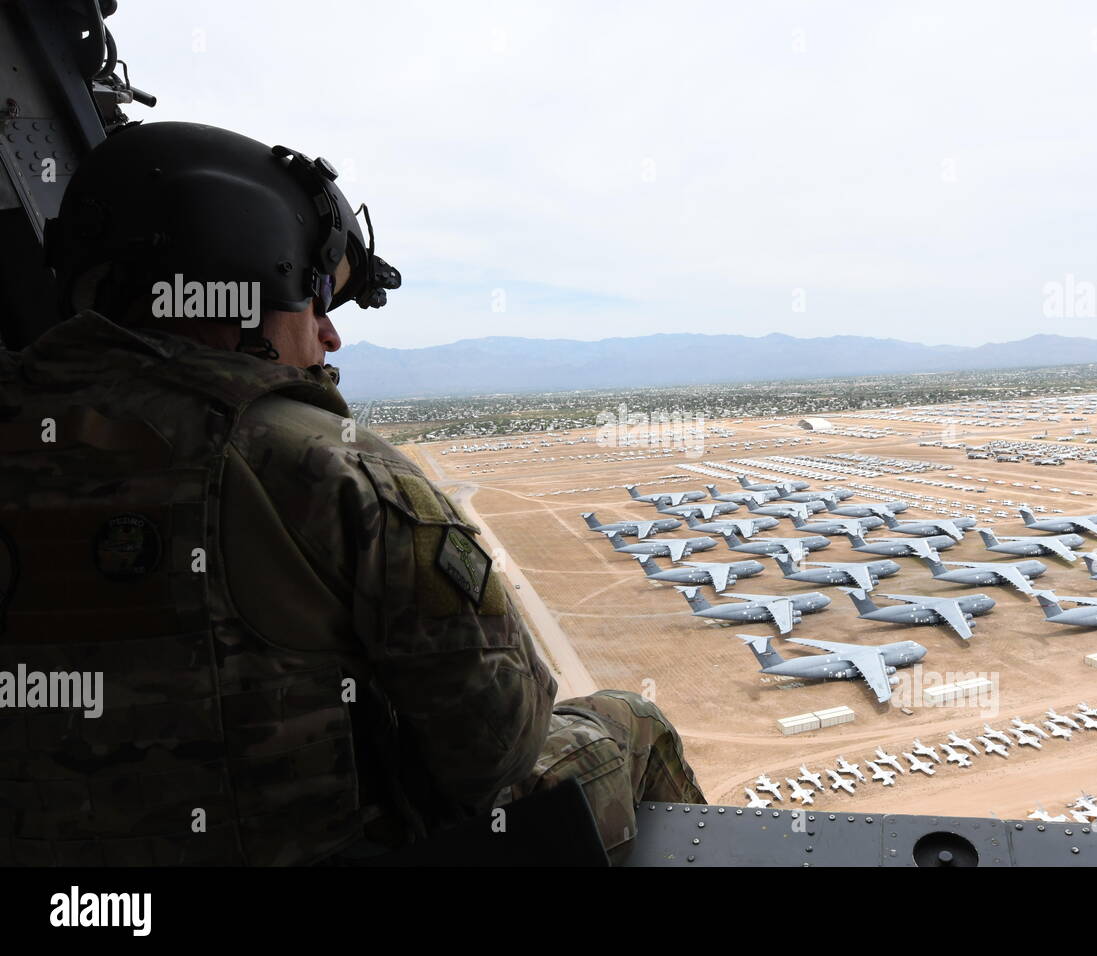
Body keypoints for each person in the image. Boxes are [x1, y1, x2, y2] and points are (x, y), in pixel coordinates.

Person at [0, 121, 703, 866]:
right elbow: (497, 750)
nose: (330, 338)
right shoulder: (324, 468)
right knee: (628, 720)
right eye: (316, 302)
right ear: (249, 280)